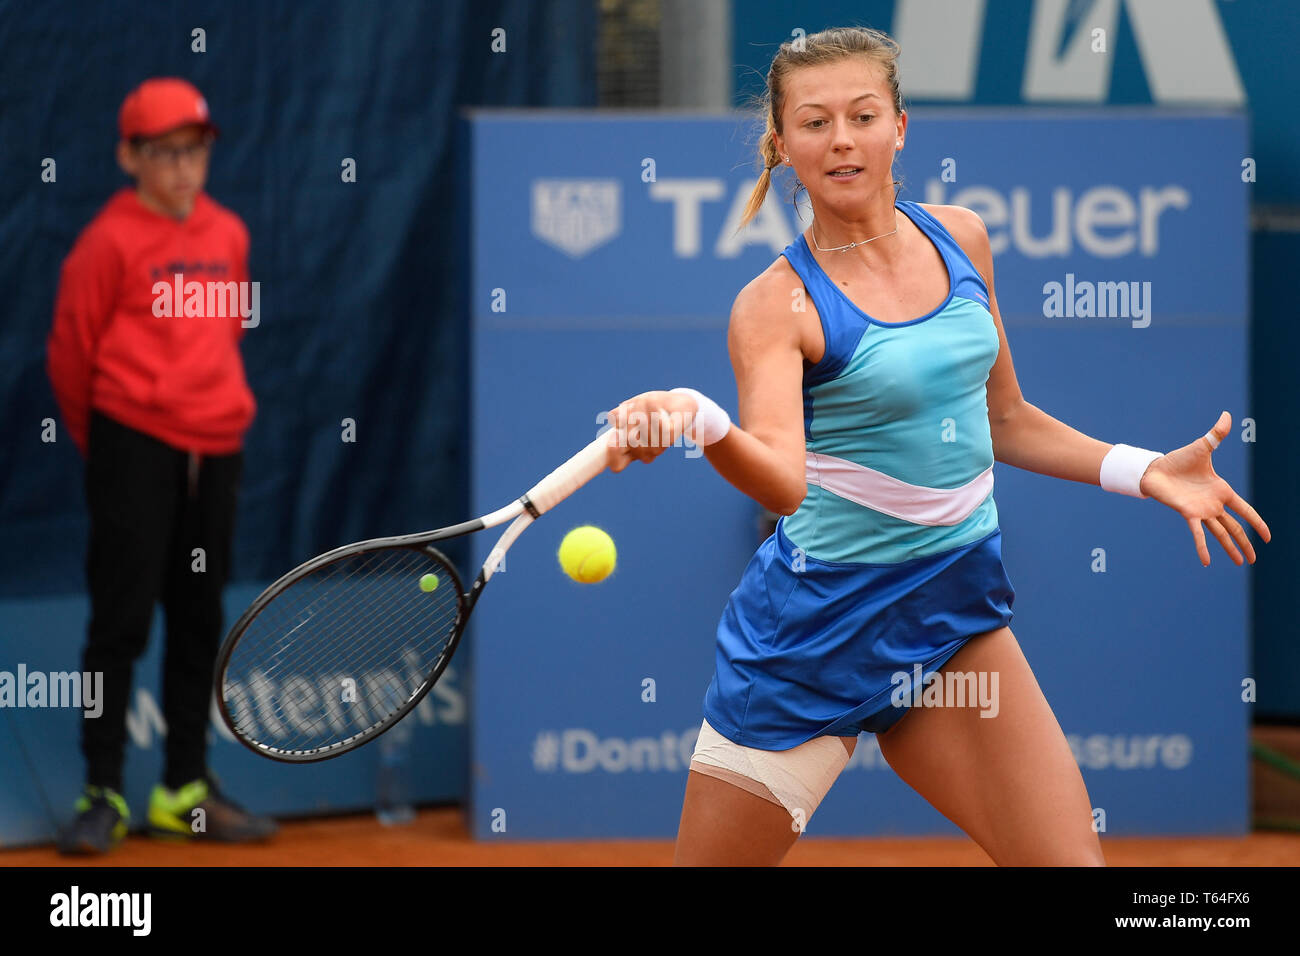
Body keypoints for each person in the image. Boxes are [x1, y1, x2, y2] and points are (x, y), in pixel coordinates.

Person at [601, 26, 1271, 866]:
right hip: (810, 640)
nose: (841, 140)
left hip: (952, 617)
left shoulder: (963, 239)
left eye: (862, 115)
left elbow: (1005, 420)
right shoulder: (774, 304)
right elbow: (778, 482)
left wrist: (1146, 471)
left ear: (900, 126)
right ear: (782, 145)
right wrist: (704, 421)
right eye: (814, 123)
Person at [47, 77, 276, 853]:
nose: (182, 168)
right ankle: (102, 790)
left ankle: (185, 790)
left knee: (199, 618)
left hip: (216, 448)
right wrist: (119, 441)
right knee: (119, 625)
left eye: (194, 151)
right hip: (132, 443)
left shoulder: (230, 235)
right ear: (130, 157)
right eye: (164, 153)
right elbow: (71, 356)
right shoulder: (106, 243)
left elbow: (226, 339)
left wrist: (201, 414)